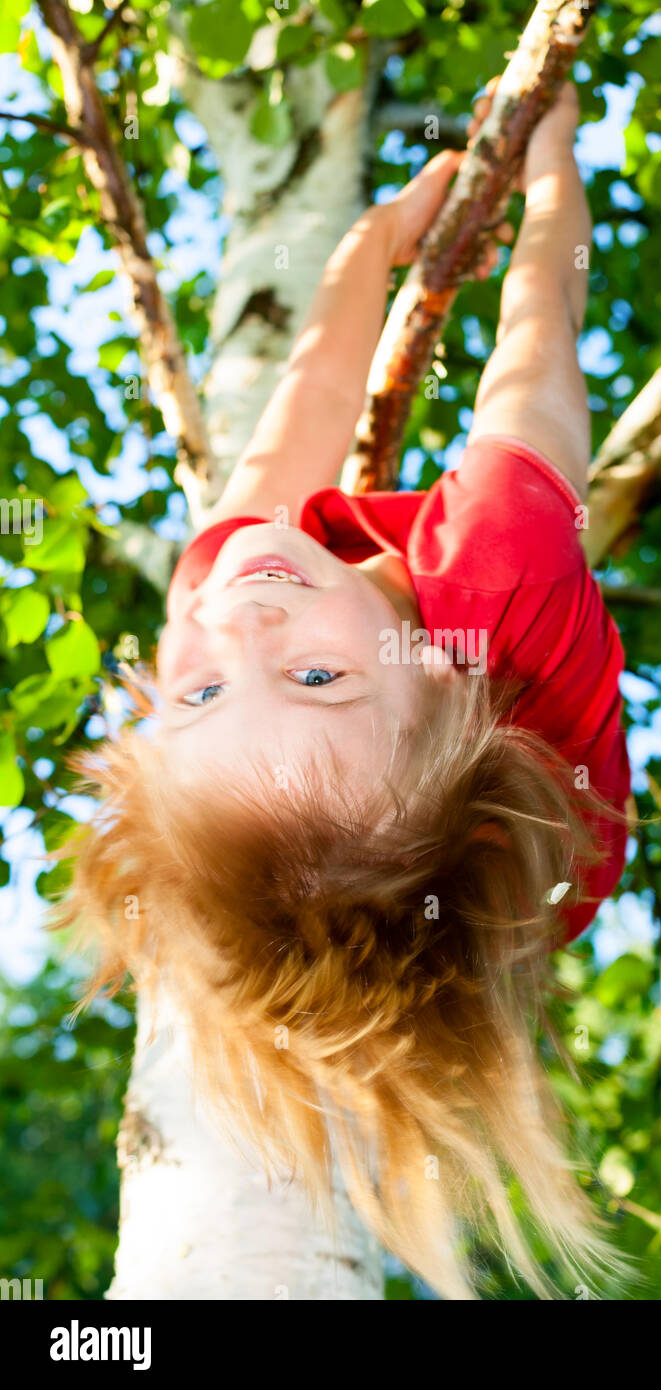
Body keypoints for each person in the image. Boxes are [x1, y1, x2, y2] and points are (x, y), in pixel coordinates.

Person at [62, 81, 631, 1300]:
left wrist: (384, 233)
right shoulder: (501, 560)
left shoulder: (213, 604)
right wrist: (548, 161)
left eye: (207, 695)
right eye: (313, 677)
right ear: (434, 681)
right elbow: (544, 315)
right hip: (536, 854)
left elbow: (307, 401)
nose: (250, 624)